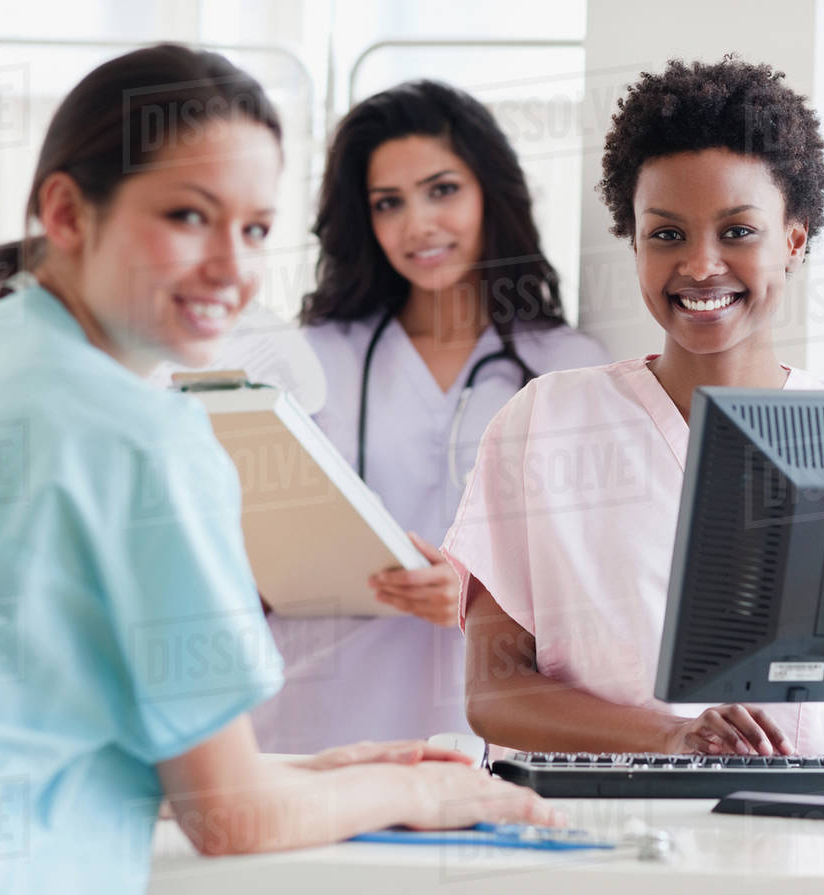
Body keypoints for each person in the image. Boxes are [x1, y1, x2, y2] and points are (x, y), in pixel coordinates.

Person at [0, 45, 556, 895]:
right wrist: (426, 787)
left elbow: (40, 728)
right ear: (69, 214)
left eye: (256, 228)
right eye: (189, 215)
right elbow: (232, 816)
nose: (233, 268)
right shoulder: (147, 436)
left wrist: (327, 770)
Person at [443, 57, 824, 757]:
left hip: (804, 844)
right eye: (667, 234)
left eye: (738, 231)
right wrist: (674, 735)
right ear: (635, 240)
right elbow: (493, 693)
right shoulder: (543, 425)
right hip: (594, 840)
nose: (701, 265)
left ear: (794, 241)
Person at [251, 80, 607, 752]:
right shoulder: (314, 358)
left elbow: (598, 572)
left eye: (442, 189)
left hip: (485, 730)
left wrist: (477, 596)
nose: (417, 224)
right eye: (389, 203)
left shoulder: (566, 366)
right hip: (323, 718)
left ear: (488, 193)